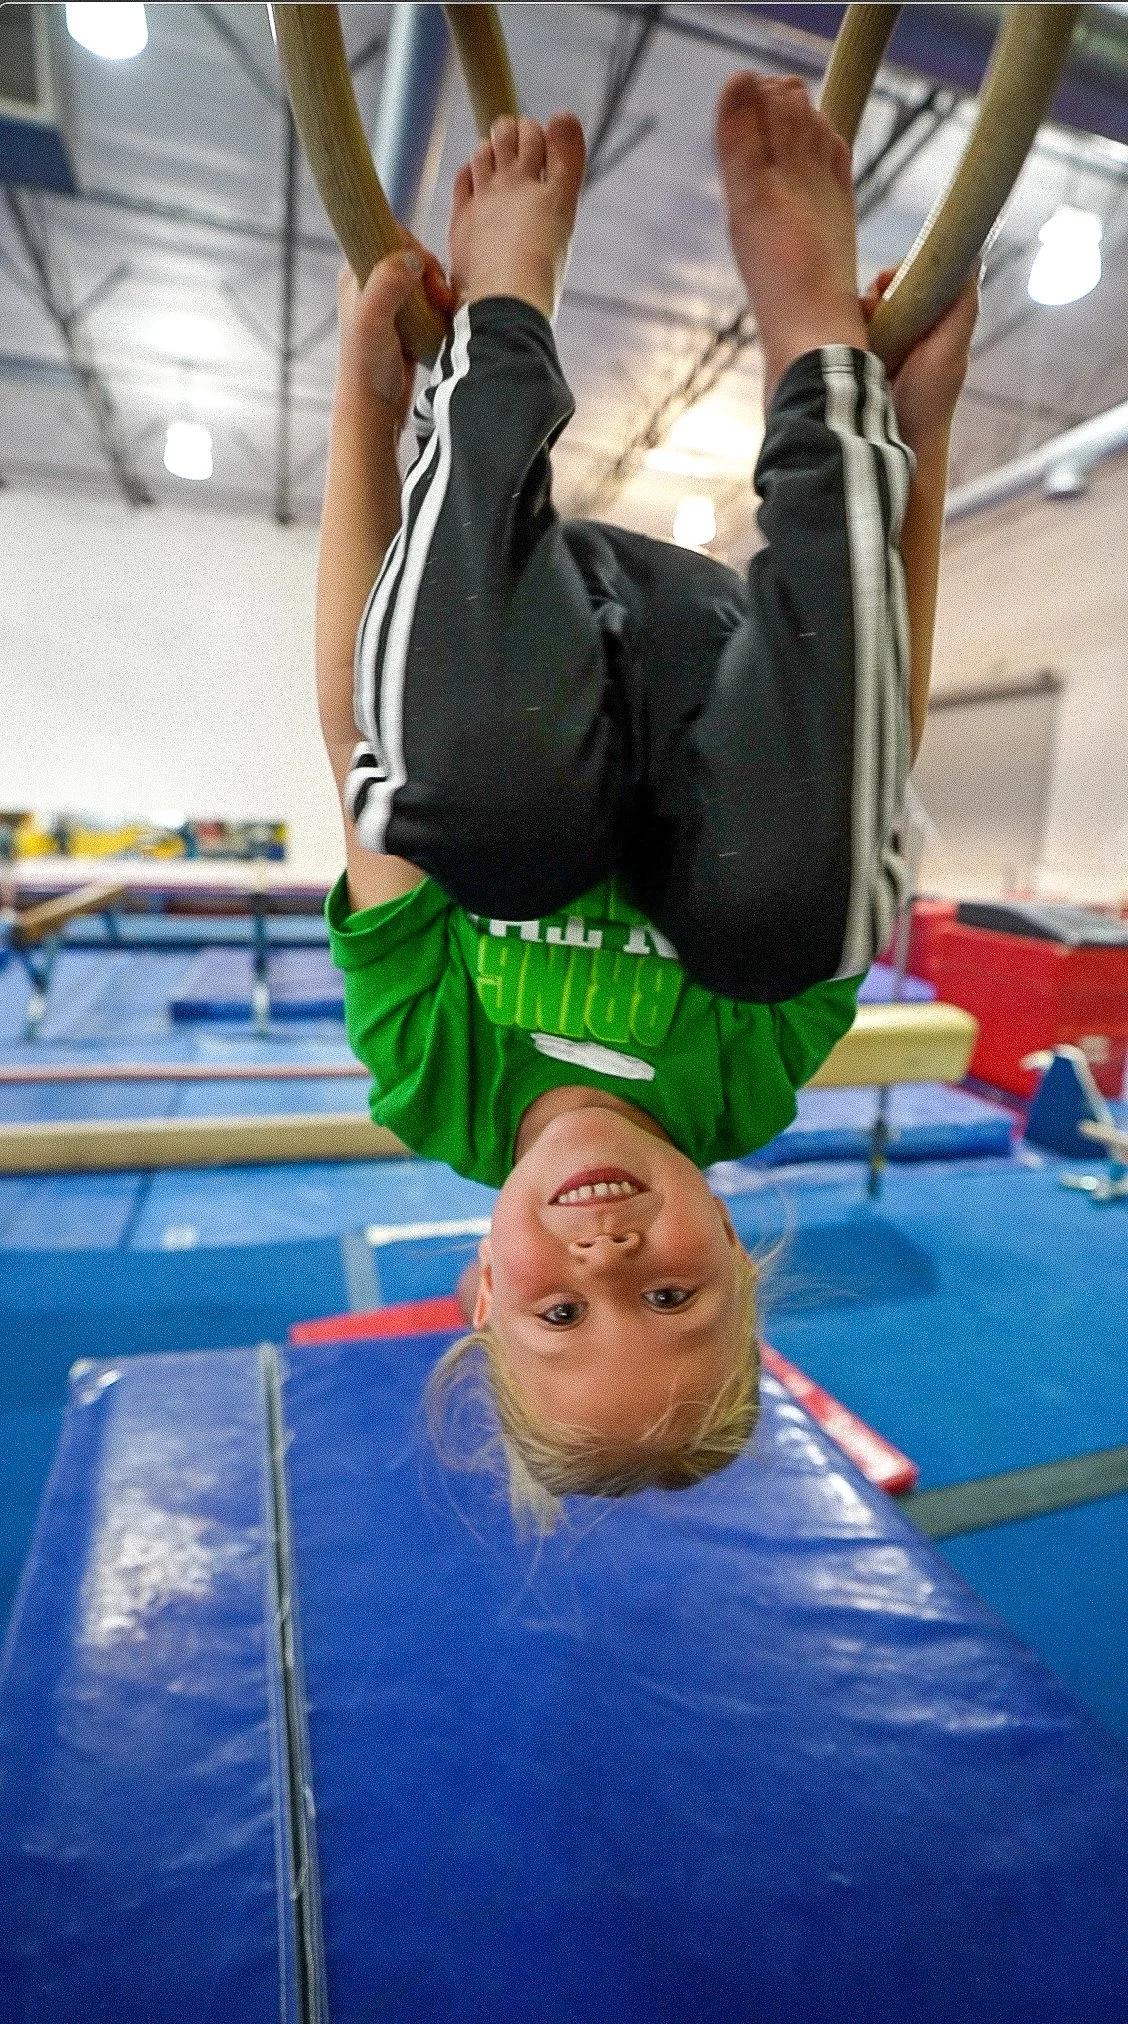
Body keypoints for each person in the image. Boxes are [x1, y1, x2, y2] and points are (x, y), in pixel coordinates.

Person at [316, 74, 978, 1529]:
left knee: (470, 825)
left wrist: (372, 405)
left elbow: (365, 740)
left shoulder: (436, 1078)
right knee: (799, 913)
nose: (609, 1269)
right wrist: (904, 436)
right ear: (733, 1246)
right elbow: (871, 746)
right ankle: (809, 355)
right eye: (675, 1294)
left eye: (560, 1321)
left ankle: (509, 325)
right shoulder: (741, 1083)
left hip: (528, 641)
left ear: (484, 1288)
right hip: (717, 665)